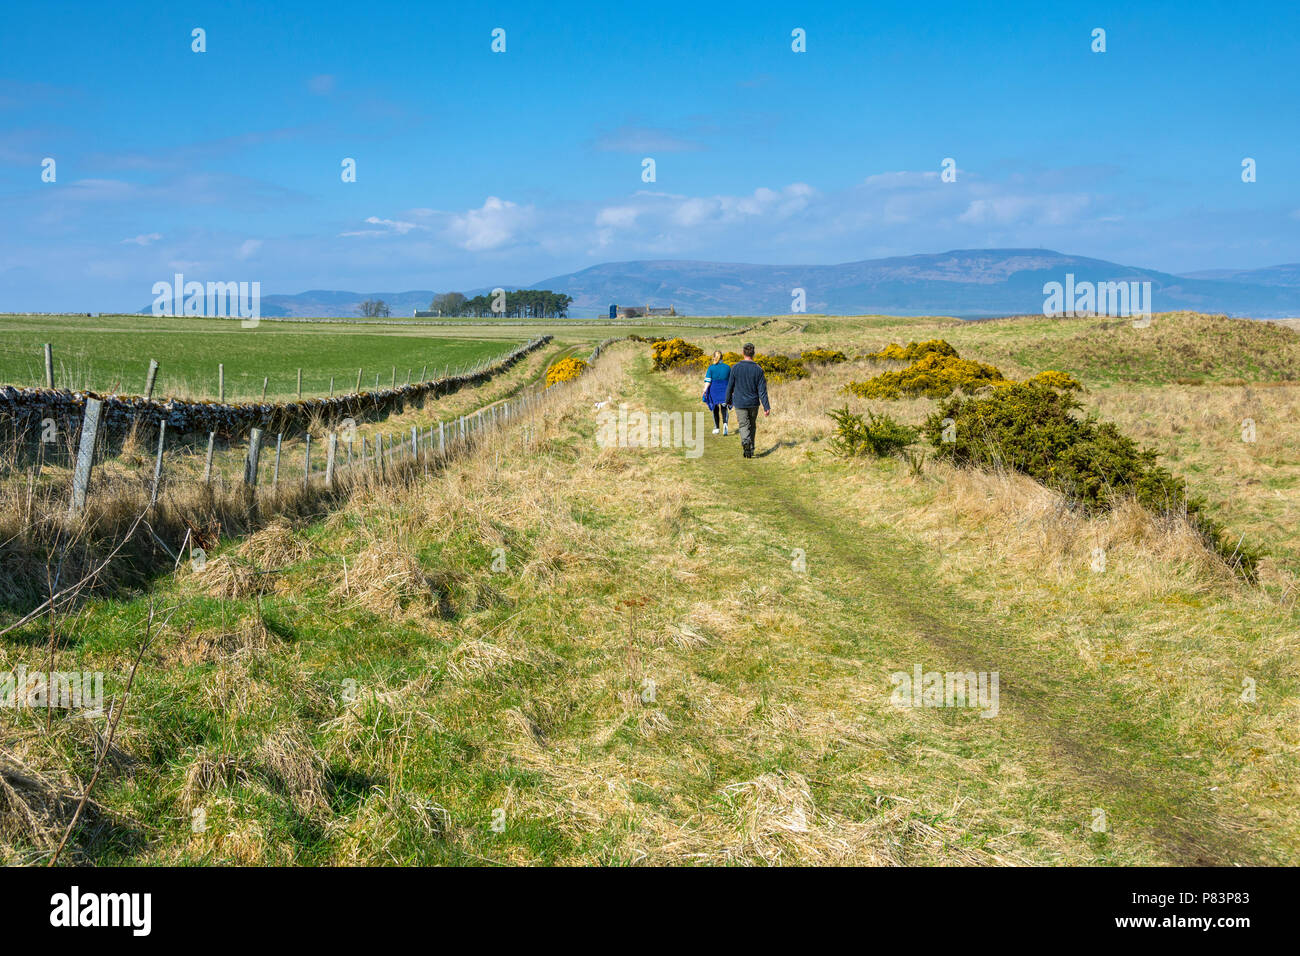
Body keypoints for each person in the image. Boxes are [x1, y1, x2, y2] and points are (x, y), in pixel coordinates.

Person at [723, 342, 770, 459]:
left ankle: (746, 442)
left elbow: (730, 387)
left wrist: (728, 400)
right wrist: (766, 406)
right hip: (753, 403)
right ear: (753, 354)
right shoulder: (758, 369)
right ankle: (751, 448)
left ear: (743, 353)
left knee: (743, 424)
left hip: (739, 402)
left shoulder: (735, 368)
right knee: (752, 425)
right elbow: (762, 391)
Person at [702, 350, 731, 435]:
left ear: (714, 357)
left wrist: (704, 390)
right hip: (725, 388)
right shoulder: (727, 367)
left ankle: (717, 428)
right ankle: (725, 423)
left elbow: (708, 381)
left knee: (715, 408)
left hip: (714, 389)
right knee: (724, 407)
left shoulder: (711, 368)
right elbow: (731, 381)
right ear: (722, 357)